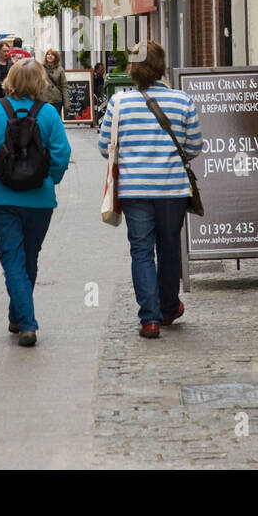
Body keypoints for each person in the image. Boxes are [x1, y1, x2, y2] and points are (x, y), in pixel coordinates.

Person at [98, 40, 202, 338]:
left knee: (141, 250)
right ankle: (169, 307)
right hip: (172, 190)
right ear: (160, 66)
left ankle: (150, 319)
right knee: (169, 248)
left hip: (135, 190)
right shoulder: (182, 100)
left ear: (132, 69)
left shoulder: (119, 103)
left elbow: (106, 148)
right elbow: (194, 145)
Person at [0, 59, 71, 346]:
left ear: (10, 80)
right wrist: (50, 179)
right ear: (41, 82)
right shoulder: (49, 113)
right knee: (29, 257)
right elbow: (62, 153)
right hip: (40, 200)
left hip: (3, 200)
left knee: (12, 260)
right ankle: (18, 317)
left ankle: (27, 323)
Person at [42, 49, 67, 114]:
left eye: (52, 55)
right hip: (45, 99)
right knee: (46, 119)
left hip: (57, 100)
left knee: (55, 119)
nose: (50, 56)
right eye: (48, 54)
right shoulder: (41, 68)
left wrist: (66, 103)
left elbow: (64, 86)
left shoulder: (60, 69)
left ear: (56, 57)